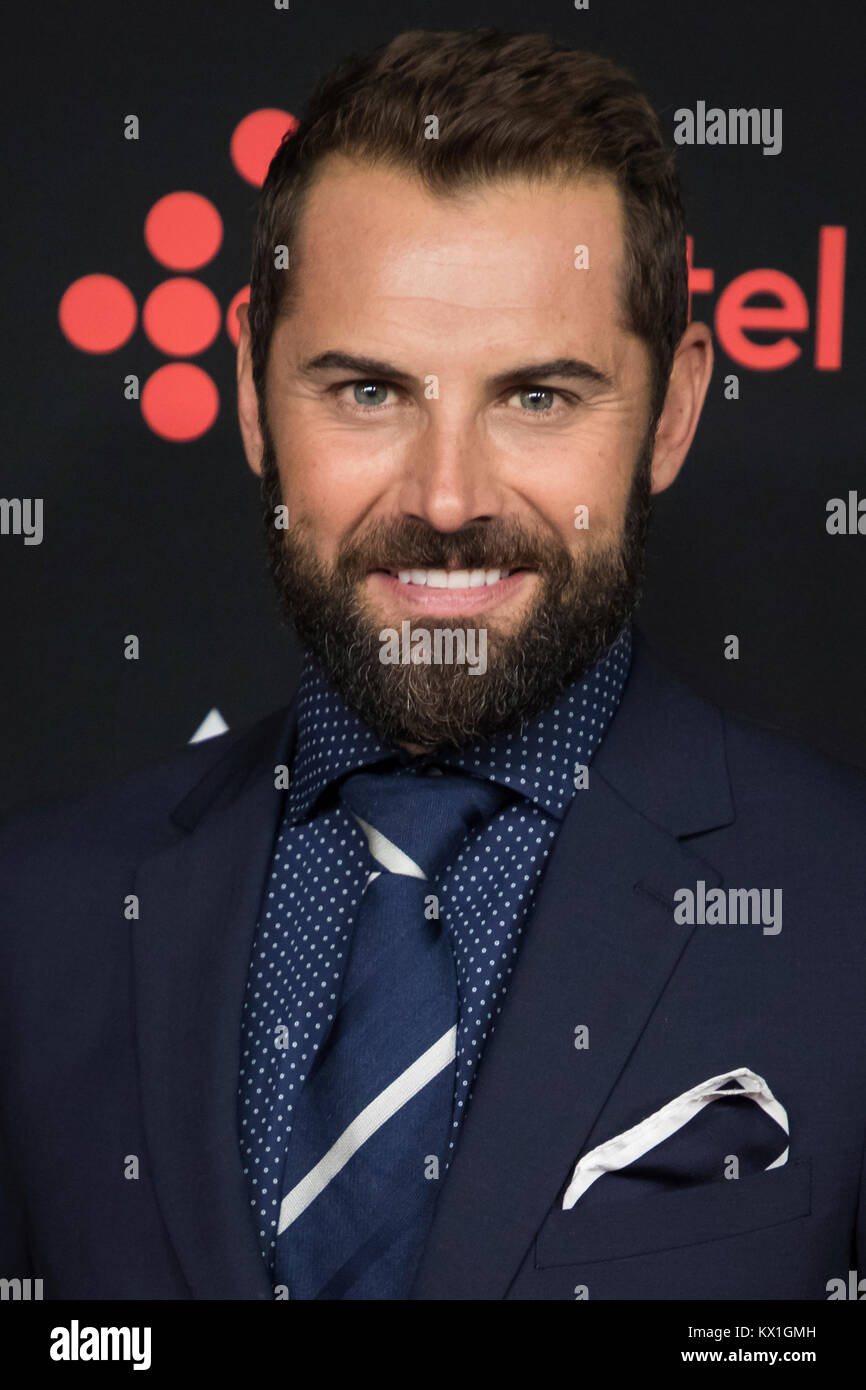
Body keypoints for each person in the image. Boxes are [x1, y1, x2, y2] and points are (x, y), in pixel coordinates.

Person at [1, 27, 864, 1302]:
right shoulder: (35, 919)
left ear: (674, 411)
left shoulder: (843, 909)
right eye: (365, 392)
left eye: (537, 397)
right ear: (249, 392)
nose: (446, 497)